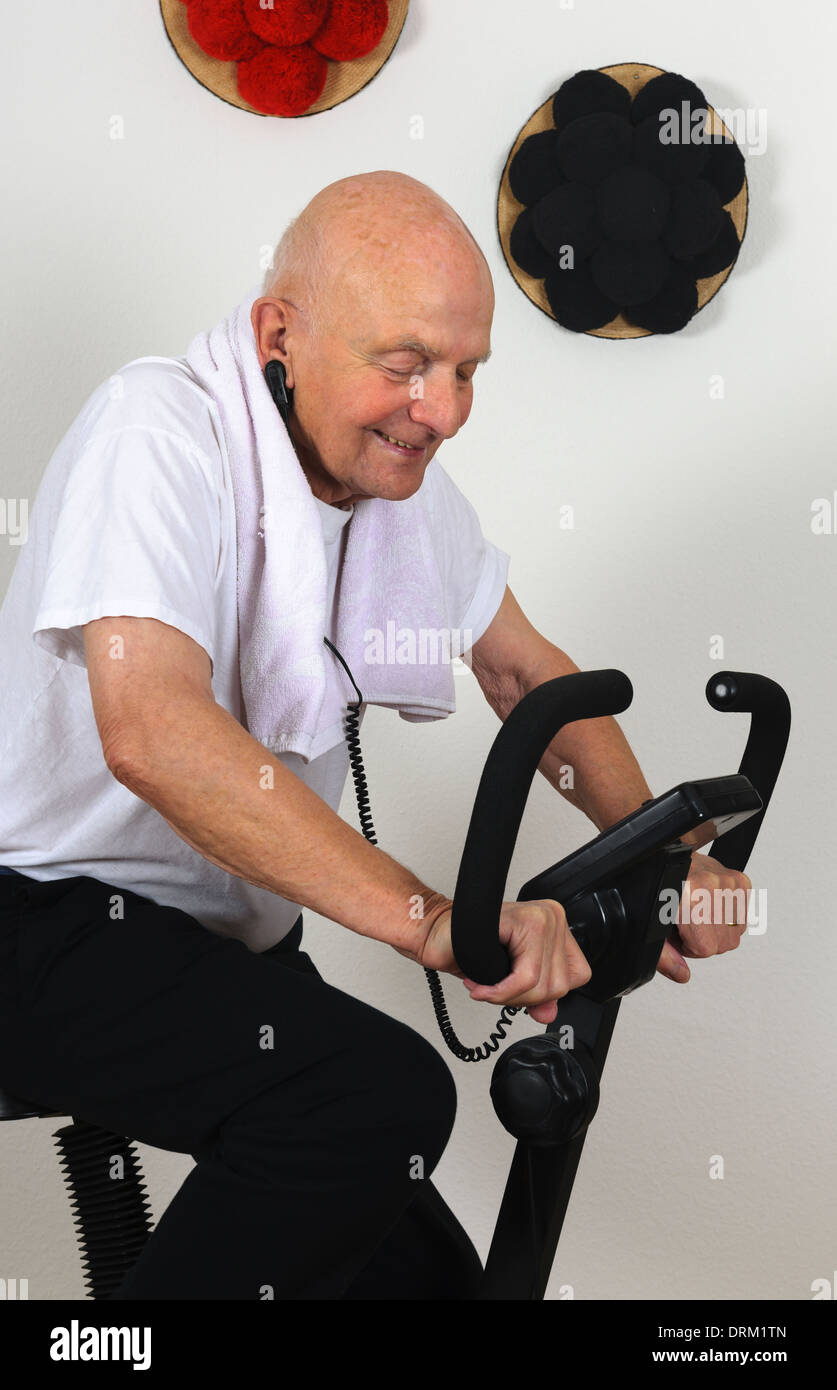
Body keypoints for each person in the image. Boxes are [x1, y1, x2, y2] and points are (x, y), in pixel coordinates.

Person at [0, 170, 751, 1300]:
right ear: (280, 336)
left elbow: (524, 671)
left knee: (422, 1283)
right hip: (39, 918)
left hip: (215, 949)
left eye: (464, 374)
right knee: (378, 1096)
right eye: (404, 367)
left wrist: (660, 852)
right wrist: (431, 920)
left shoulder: (397, 497)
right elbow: (150, 726)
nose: (440, 411)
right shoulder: (159, 430)